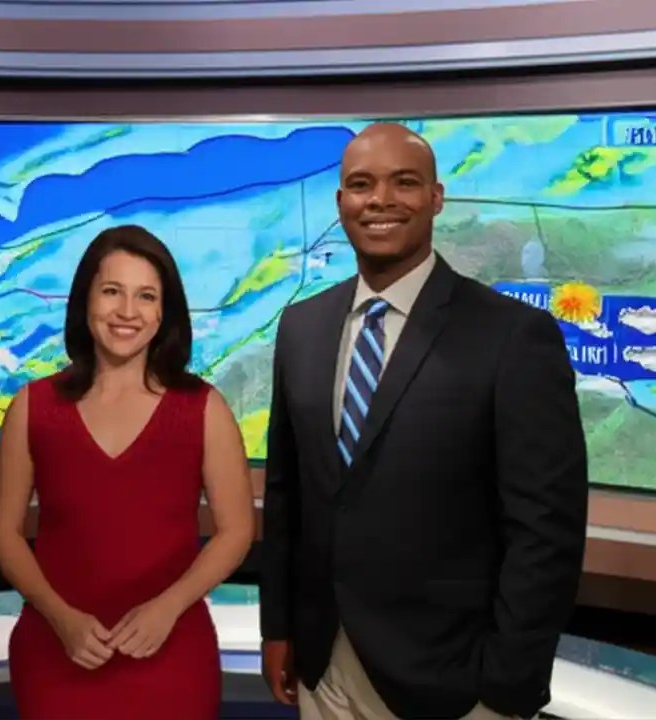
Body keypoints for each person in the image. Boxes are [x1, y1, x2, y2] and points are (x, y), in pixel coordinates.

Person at [259, 122, 589, 720]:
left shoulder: (511, 337)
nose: (381, 200)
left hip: (451, 683)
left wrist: (505, 690)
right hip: (322, 666)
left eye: (403, 182)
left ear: (436, 198)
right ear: (341, 203)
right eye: (361, 185)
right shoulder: (301, 327)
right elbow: (288, 497)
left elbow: (546, 531)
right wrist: (278, 627)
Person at [0, 224, 256, 719]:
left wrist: (168, 608)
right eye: (112, 291)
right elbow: (2, 531)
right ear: (85, 300)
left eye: (146, 296)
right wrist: (61, 617)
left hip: (170, 654)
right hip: (57, 654)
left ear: (163, 312)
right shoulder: (34, 407)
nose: (127, 312)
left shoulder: (203, 409)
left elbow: (236, 530)